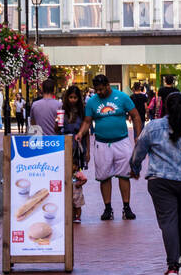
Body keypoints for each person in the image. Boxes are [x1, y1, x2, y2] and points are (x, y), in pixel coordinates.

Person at [131, 91, 181, 275]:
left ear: (164, 107)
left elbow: (139, 150)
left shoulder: (153, 127)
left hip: (161, 181)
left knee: (168, 222)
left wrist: (136, 168)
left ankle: (172, 266)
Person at [77, 74, 143, 220]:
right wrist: (81, 133)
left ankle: (126, 207)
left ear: (108, 85)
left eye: (101, 89)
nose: (98, 92)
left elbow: (136, 116)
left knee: (124, 175)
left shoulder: (122, 97)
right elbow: (87, 121)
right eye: (96, 90)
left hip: (122, 141)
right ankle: (108, 209)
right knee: (104, 176)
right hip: (101, 143)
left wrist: (137, 136)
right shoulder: (92, 102)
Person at [60, 85, 89, 220]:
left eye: (75, 97)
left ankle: (77, 206)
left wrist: (87, 151)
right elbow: (57, 129)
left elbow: (87, 132)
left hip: (77, 147)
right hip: (65, 146)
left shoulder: (82, 112)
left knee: (75, 174)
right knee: (65, 175)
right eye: (70, 97)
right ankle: (68, 206)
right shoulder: (62, 110)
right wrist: (57, 121)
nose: (72, 100)